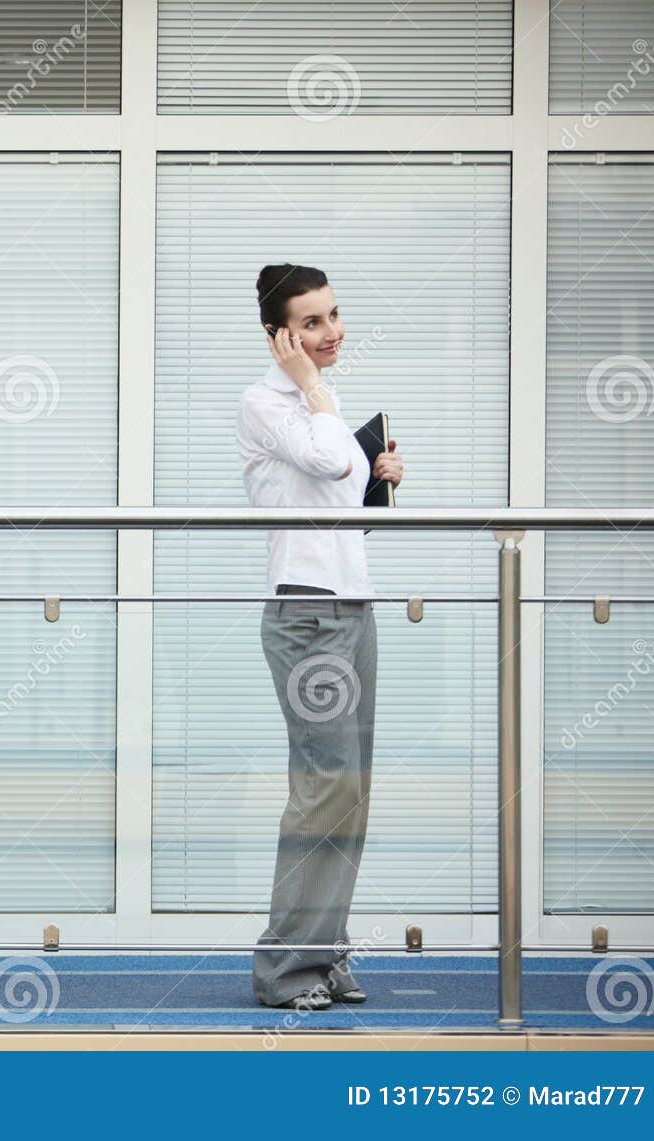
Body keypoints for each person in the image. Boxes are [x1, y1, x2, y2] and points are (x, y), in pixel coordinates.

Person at [236, 263, 404, 1012]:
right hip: (306, 615)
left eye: (333, 315)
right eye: (310, 323)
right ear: (279, 336)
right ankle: (286, 969)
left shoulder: (318, 405)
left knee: (350, 793)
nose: (330, 332)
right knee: (322, 790)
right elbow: (328, 456)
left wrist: (378, 476)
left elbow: (337, 500)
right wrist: (314, 391)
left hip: (351, 606)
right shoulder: (269, 402)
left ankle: (325, 954)